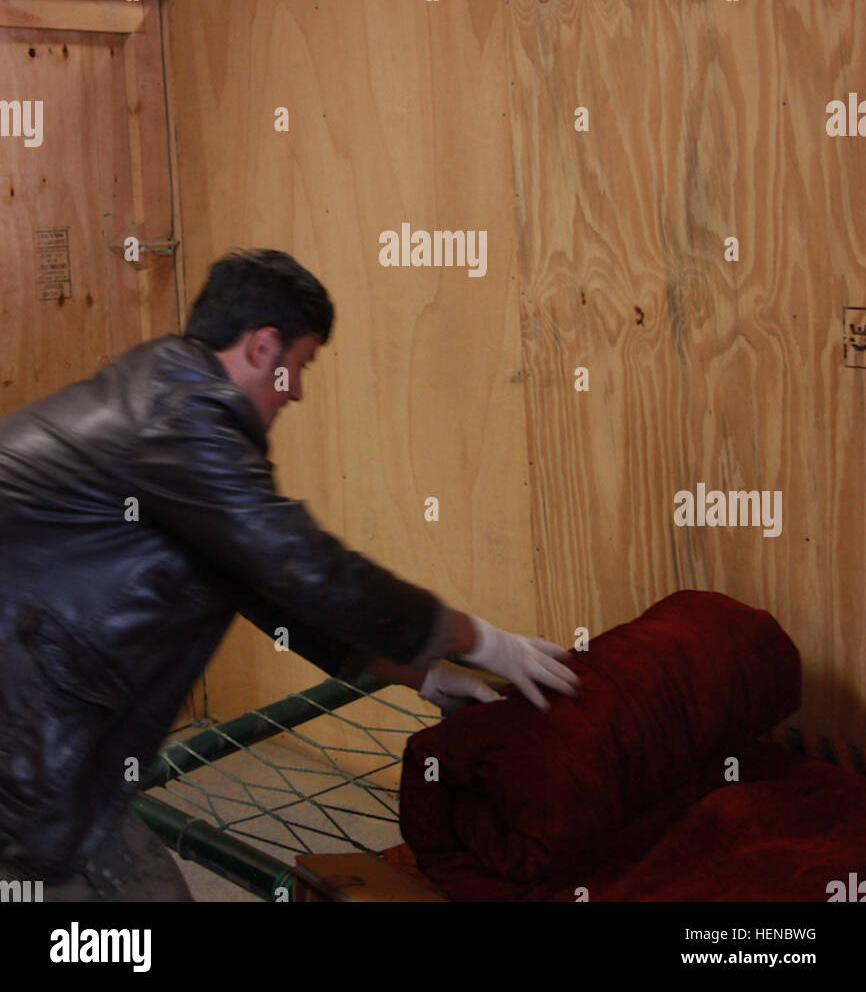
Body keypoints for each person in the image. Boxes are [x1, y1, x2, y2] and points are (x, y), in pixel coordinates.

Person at [0, 248, 578, 901]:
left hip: (51, 739)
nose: (298, 390)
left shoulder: (169, 401)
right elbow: (301, 565)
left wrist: (426, 674)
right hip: (24, 743)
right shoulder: (180, 416)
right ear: (261, 347)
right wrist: (476, 638)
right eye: (300, 366)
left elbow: (268, 589)